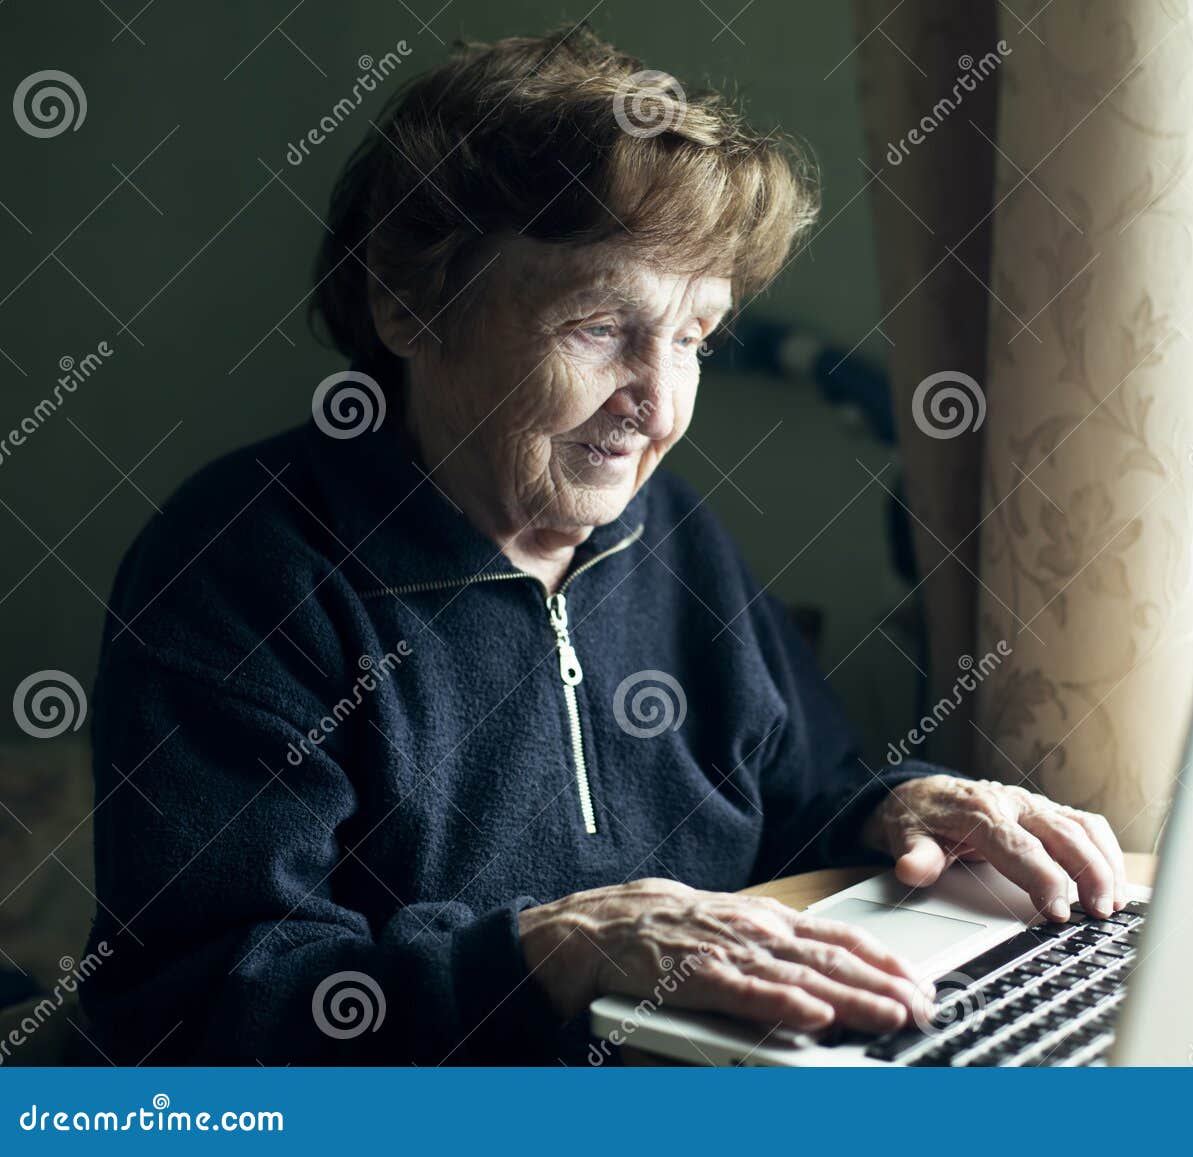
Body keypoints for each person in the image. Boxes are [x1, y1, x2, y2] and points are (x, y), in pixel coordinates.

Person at [84, 26, 1126, 1064]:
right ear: (406, 304)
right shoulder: (242, 569)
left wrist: (900, 807)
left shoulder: (664, 530)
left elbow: (795, 797)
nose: (658, 406)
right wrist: (546, 953)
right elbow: (192, 1004)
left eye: (693, 339)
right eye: (597, 326)